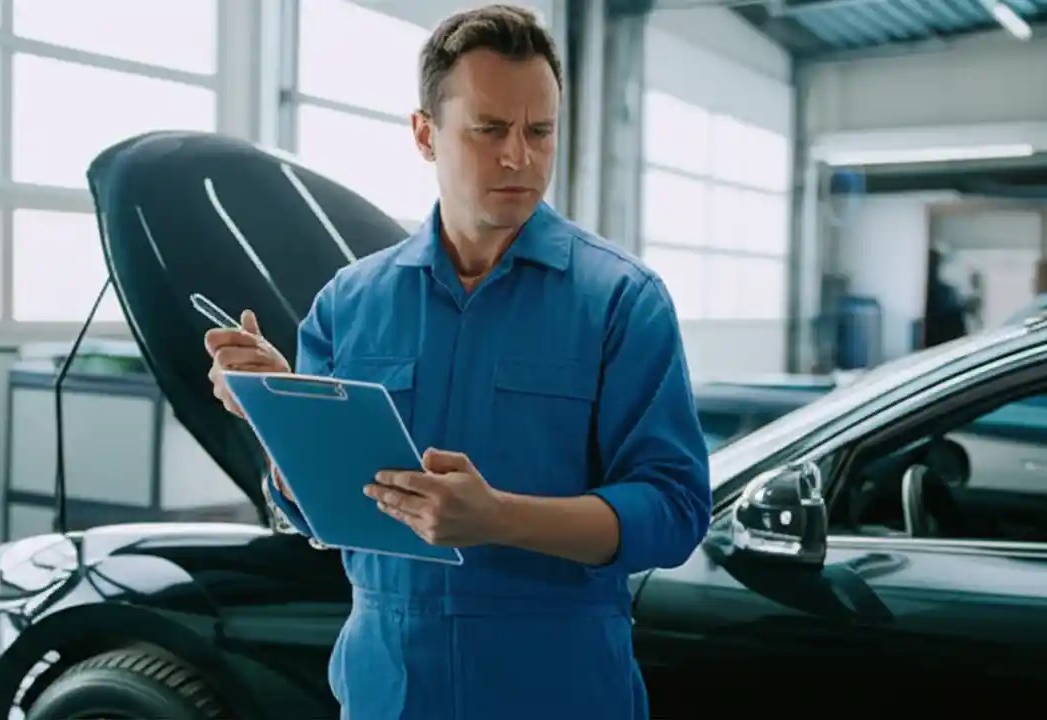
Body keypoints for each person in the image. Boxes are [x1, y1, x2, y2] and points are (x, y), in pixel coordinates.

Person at [204, 4, 711, 718]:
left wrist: (500, 518)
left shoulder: (621, 301)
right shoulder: (350, 302)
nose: (519, 157)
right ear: (425, 134)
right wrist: (275, 409)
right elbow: (316, 511)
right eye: (490, 129)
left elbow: (676, 511)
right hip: (389, 685)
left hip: (555, 685)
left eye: (540, 131)